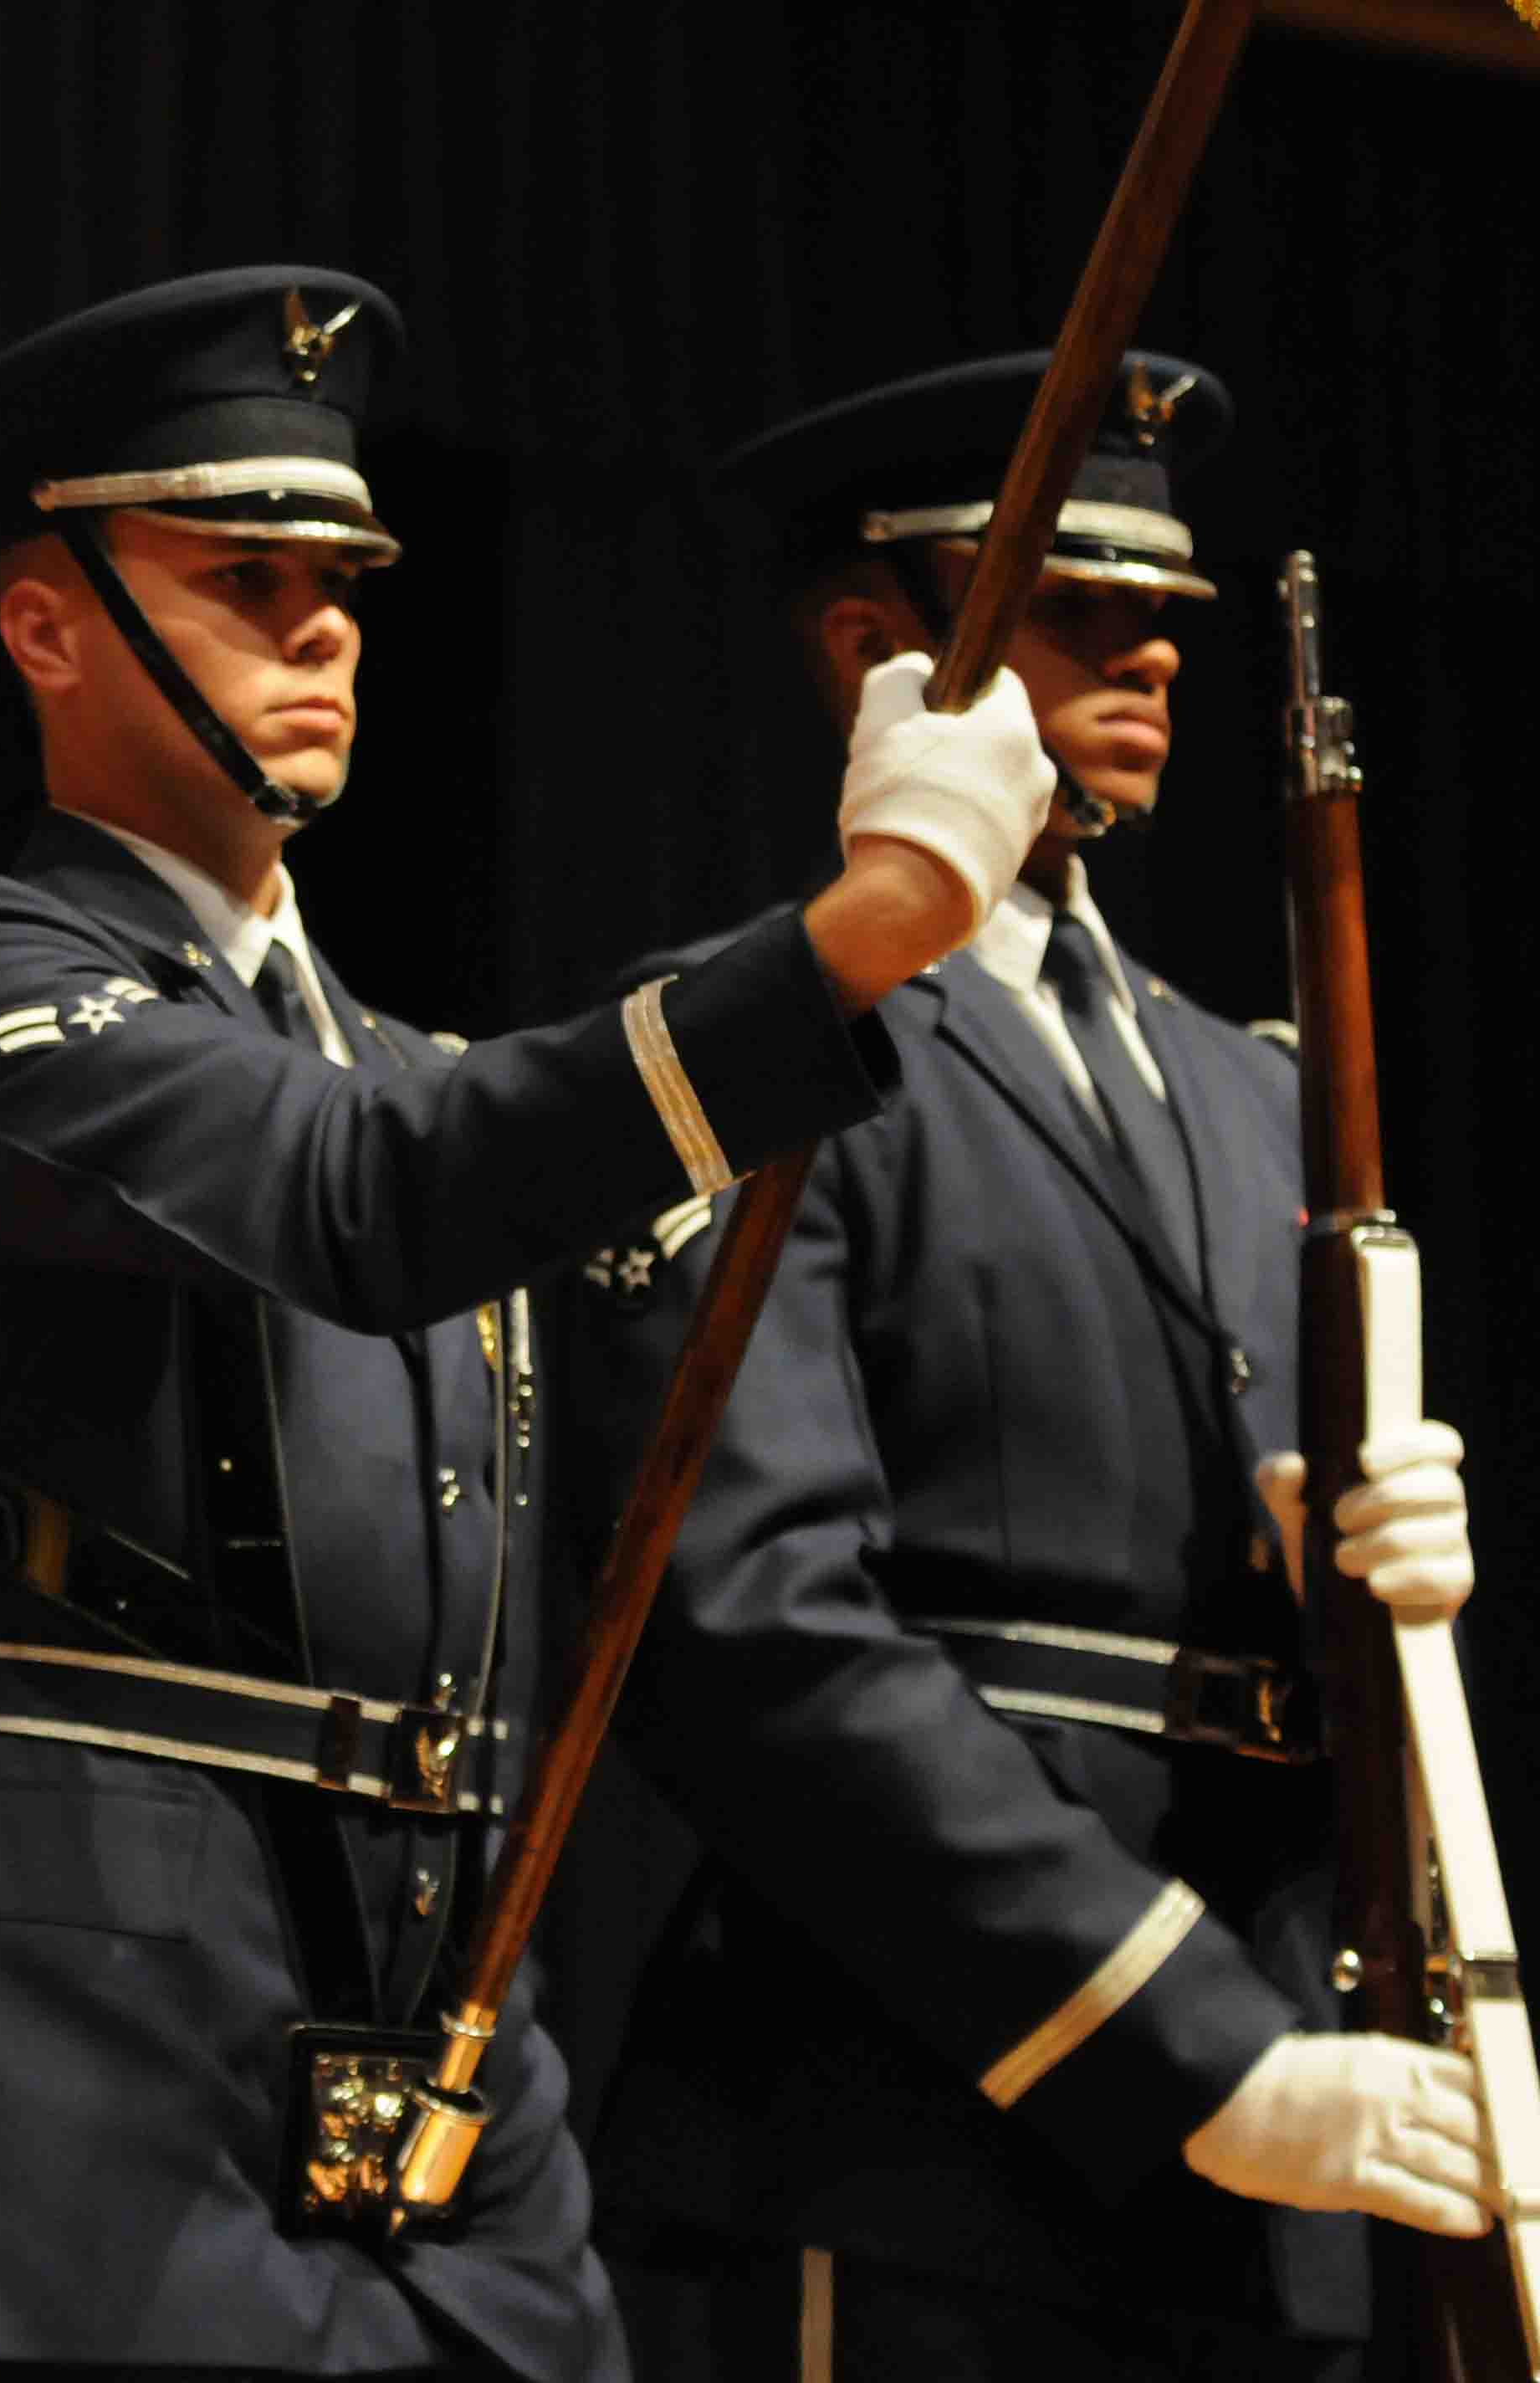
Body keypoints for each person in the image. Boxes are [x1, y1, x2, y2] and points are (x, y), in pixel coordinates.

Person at [0, 267, 1074, 2383]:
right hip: (94, 2069)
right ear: (44, 621)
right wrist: (851, 934)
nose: (322, 619)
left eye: (337, 571)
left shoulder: (406, 1062)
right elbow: (358, 1198)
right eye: (240, 572)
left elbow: (720, 1489)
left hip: (449, 2047)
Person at [556, 352, 1485, 2381]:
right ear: (875, 638)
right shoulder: (758, 1048)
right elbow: (752, 1622)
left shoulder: (1260, 1095)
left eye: (1164, 604)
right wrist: (1181, 2032)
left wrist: (1389, 1592)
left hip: (1293, 2133)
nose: (1148, 640)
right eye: (1065, 598)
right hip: (928, 2117)